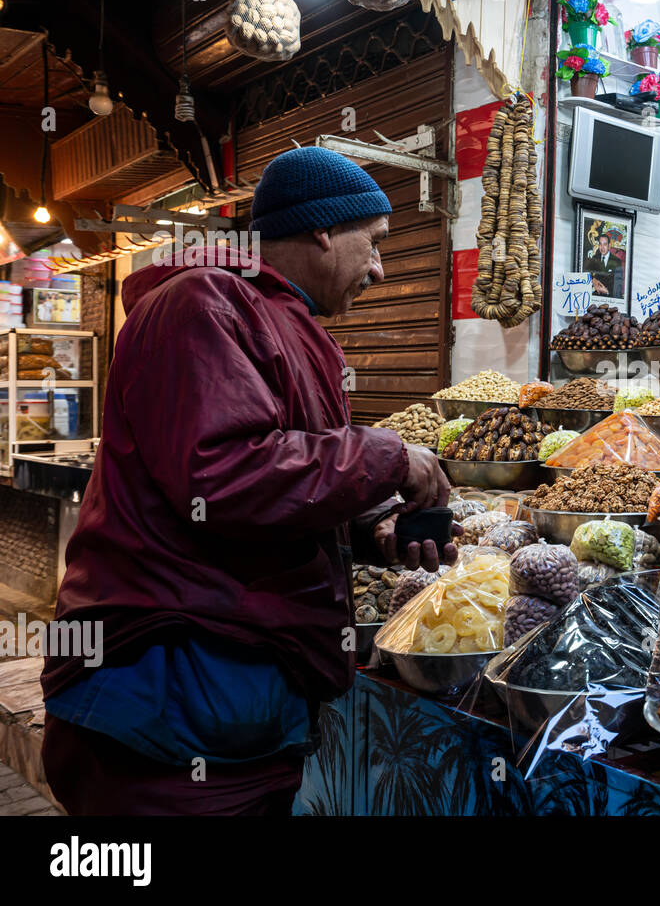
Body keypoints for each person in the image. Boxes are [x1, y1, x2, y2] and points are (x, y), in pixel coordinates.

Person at [40, 147, 457, 815]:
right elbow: (221, 478)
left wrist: (365, 526)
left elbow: (278, 480)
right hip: (169, 695)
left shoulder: (277, 318)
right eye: (374, 243)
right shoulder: (201, 305)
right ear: (322, 228)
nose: (380, 268)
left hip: (228, 700)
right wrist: (387, 456)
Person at [583, 232, 623, 296]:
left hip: (610, 295)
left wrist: (607, 292)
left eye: (605, 244)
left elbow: (618, 284)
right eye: (600, 244)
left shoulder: (616, 261)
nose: (602, 247)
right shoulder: (595, 258)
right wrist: (593, 279)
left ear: (609, 246)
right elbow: (586, 272)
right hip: (596, 293)